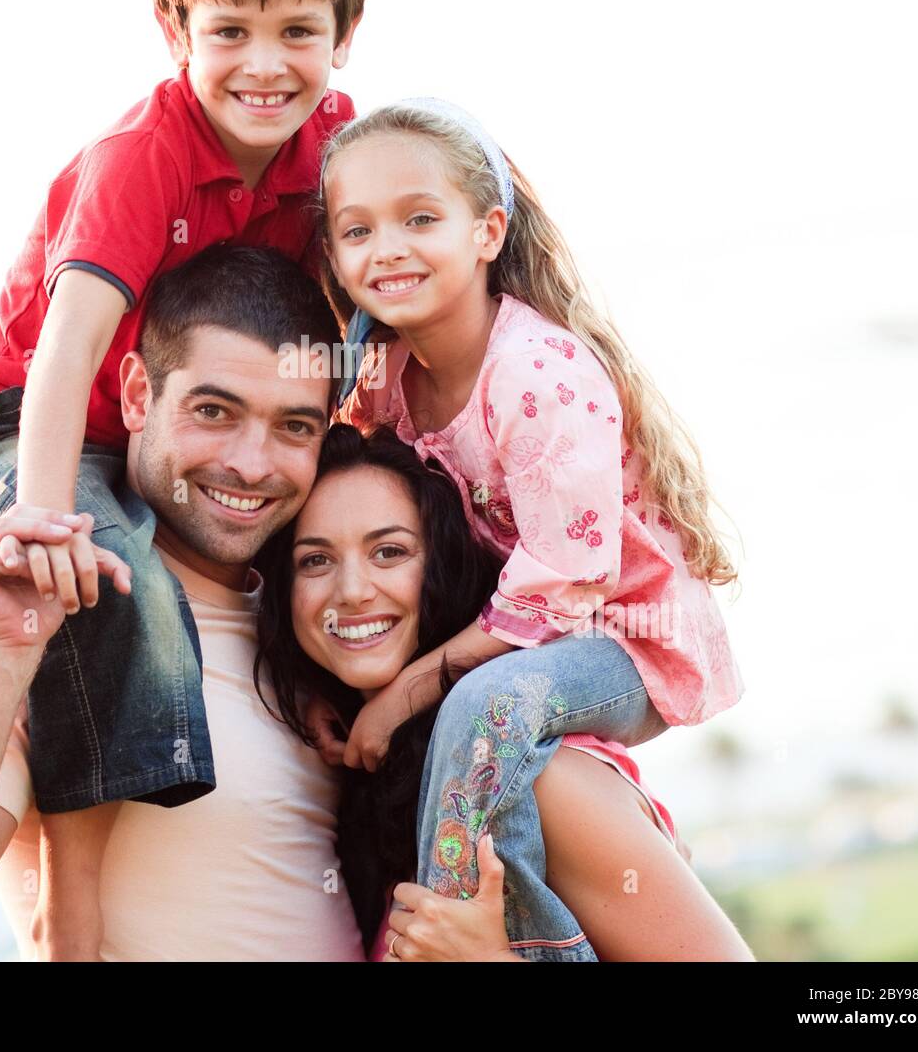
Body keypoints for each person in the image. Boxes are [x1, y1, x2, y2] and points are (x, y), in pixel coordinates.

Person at [0, 0, 369, 953]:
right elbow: (68, 349)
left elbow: (359, 318)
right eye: (230, 32)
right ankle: (75, 898)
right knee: (113, 576)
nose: (265, 66)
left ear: (345, 34)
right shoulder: (143, 153)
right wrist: (40, 521)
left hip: (153, 436)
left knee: (350, 545)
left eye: (298, 32)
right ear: (175, 29)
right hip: (10, 428)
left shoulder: (340, 150)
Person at [0, 247, 364, 960]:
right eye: (213, 410)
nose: (253, 463)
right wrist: (2, 656)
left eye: (294, 426)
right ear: (138, 395)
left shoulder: (315, 631)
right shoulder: (62, 618)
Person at [312, 98, 746, 937]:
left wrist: (406, 689)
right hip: (511, 637)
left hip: (621, 636)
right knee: (484, 698)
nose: (388, 248)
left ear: (488, 231)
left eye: (420, 218)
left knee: (488, 706)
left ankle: (480, 936)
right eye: (356, 231)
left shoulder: (536, 375)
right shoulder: (385, 378)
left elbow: (566, 589)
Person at [255, 424, 754, 961]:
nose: (351, 591)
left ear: (444, 564)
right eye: (315, 560)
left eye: (390, 552)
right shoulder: (370, 789)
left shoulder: (542, 778)